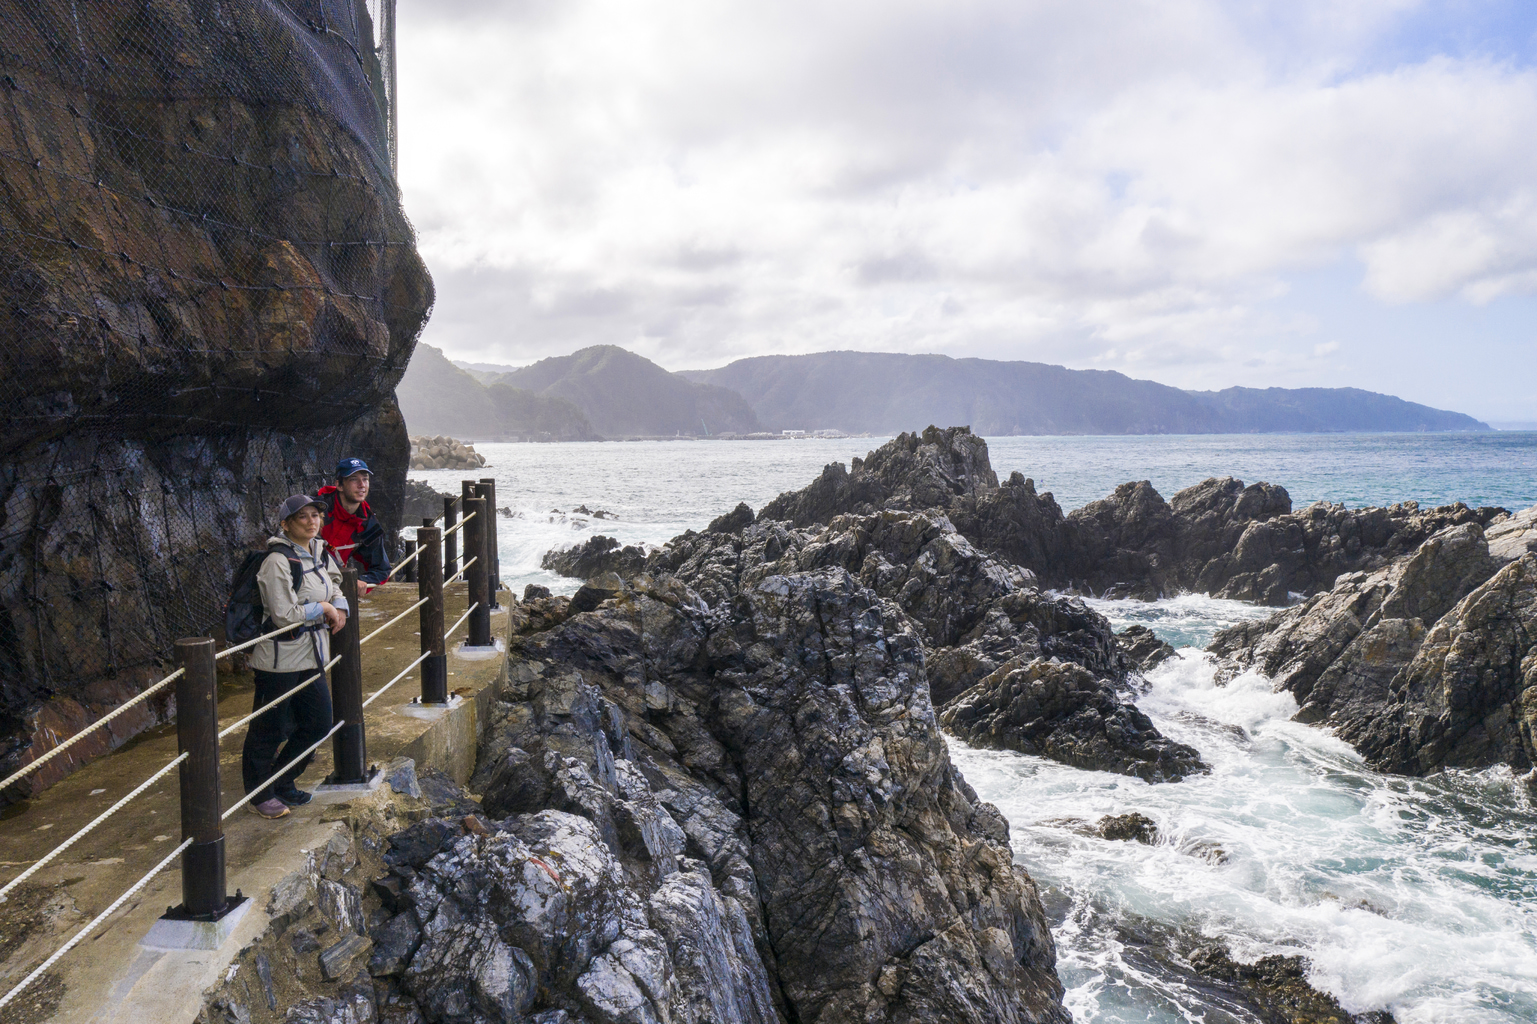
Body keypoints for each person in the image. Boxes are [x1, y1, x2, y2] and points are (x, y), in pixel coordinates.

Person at [242, 494, 347, 819]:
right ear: (286, 524)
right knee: (269, 728)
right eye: (303, 517)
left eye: (316, 515)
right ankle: (260, 794)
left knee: (318, 723)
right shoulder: (277, 561)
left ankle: (283, 779)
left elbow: (334, 582)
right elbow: (283, 613)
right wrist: (325, 608)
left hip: (310, 656)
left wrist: (339, 604)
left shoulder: (318, 552)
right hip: (279, 661)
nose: (312, 521)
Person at [318, 457, 392, 592]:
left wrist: (362, 581)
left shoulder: (368, 524)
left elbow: (382, 569)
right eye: (353, 479)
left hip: (336, 587)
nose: (361, 484)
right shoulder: (317, 510)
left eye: (365, 479)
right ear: (339, 485)